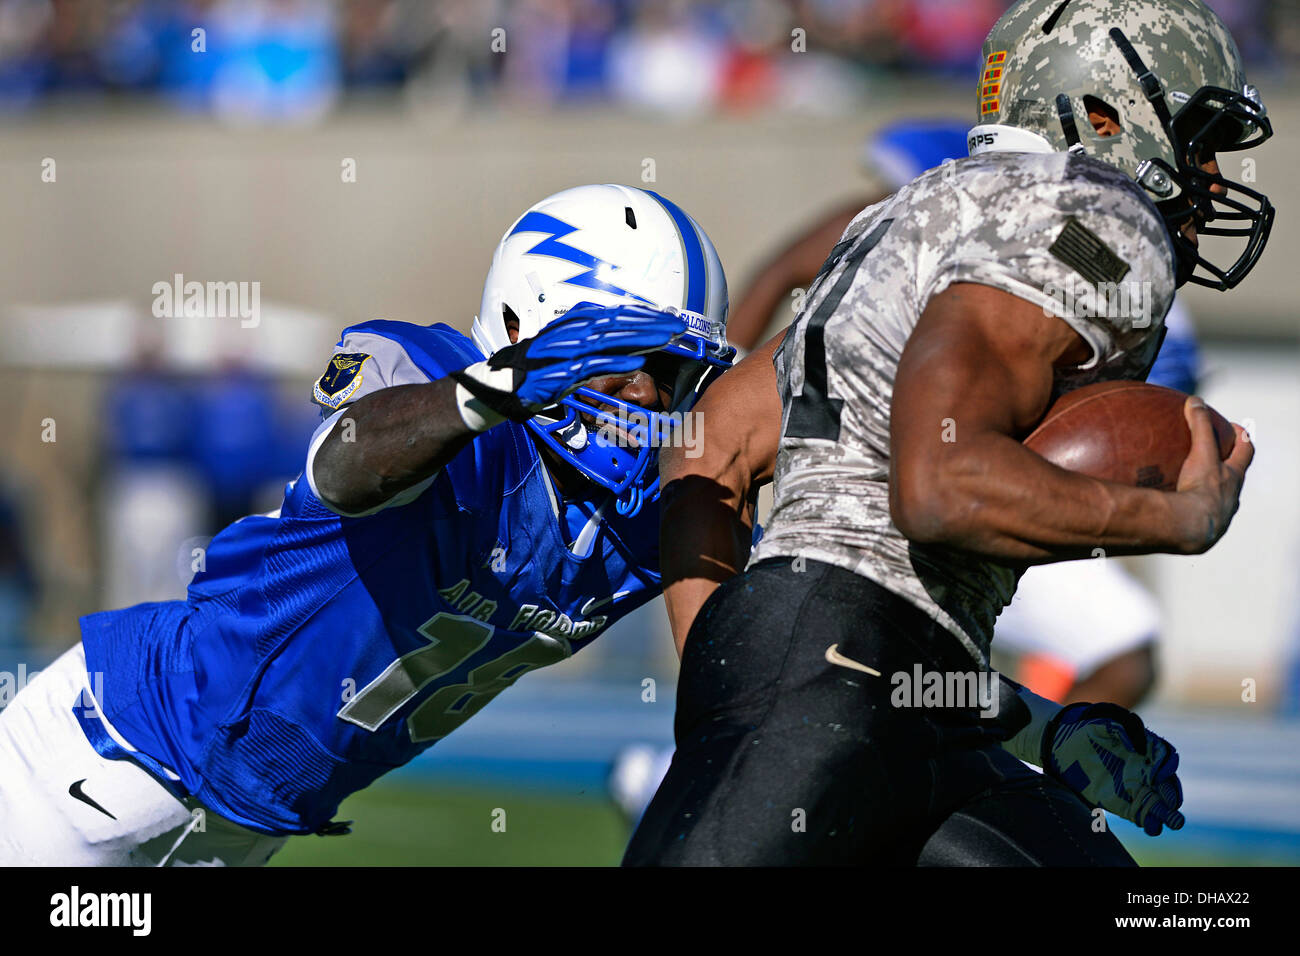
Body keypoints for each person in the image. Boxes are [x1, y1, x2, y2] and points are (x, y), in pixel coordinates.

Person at [624, 0, 1271, 866]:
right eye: (1198, 135)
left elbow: (711, 449)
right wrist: (1175, 518)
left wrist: (729, 665)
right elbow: (939, 489)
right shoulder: (1101, 217)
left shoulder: (907, 217)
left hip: (884, 690)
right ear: (1103, 115)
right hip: (840, 686)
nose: (1214, 172)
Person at [0, 183, 733, 865]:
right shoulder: (443, 400)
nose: (644, 394)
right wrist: (498, 385)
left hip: (241, 822)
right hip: (107, 754)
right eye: (620, 357)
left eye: (668, 371)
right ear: (526, 325)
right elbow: (350, 464)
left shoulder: (639, 526)